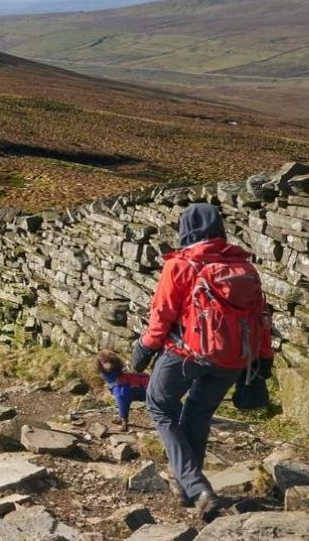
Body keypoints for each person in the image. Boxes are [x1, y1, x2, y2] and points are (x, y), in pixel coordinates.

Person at [130, 203, 273, 522]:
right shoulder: (244, 268)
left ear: (186, 232)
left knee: (159, 405)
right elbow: (261, 317)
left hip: (187, 353)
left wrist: (144, 347)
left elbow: (162, 315)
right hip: (233, 359)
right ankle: (188, 486)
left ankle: (196, 487)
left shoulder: (181, 264)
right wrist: (264, 358)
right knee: (197, 412)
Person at [94, 348, 149, 427]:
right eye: (105, 362)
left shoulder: (119, 383)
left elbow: (122, 397)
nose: (109, 365)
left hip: (150, 388)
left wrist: (123, 418)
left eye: (111, 362)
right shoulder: (113, 380)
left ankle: (123, 419)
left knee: (121, 396)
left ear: (115, 363)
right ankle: (122, 416)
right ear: (99, 364)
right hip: (147, 387)